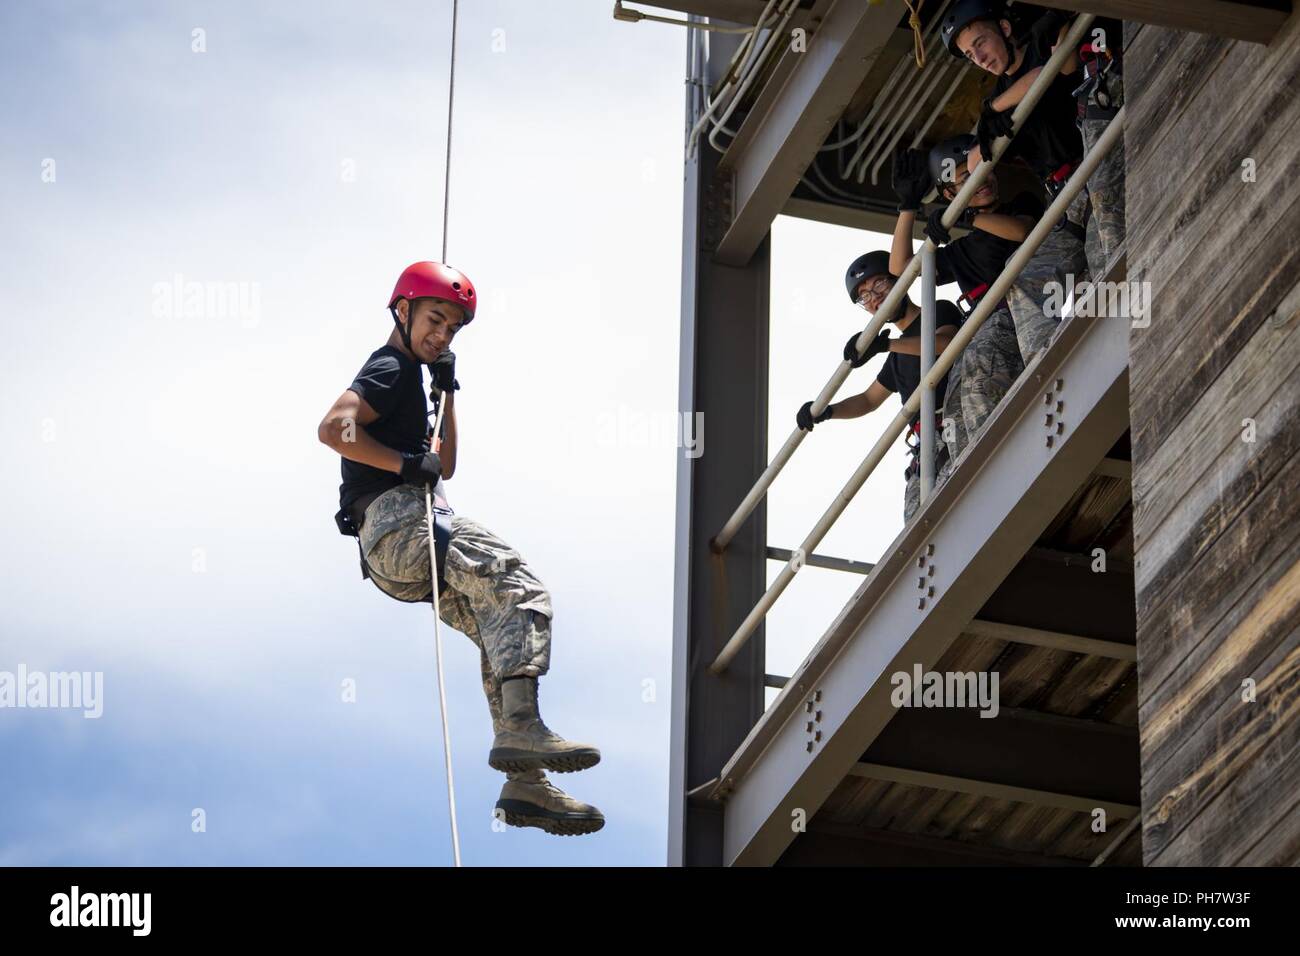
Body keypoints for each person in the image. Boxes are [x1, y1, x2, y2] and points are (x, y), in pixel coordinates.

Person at [317, 261, 604, 837]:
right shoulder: (391, 365)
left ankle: (524, 784)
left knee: (495, 622)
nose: (441, 334)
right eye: (434, 319)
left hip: (398, 549)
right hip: (401, 526)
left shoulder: (417, 379)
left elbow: (443, 464)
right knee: (518, 587)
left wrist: (446, 391)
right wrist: (401, 463)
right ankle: (523, 726)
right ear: (403, 311)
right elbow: (334, 428)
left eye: (452, 328)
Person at [943, 1, 1125, 360]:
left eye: (980, 43)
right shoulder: (995, 102)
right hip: (1066, 200)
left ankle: (1125, 320)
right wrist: (989, 119)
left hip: (1100, 164)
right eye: (969, 54)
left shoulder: (1041, 45)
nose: (978, 57)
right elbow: (976, 160)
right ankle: (1051, 367)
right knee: (1025, 283)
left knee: (1104, 252)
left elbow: (1057, 67)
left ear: (1005, 30)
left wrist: (995, 110)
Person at [889, 135, 1041, 469]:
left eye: (981, 170)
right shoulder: (960, 253)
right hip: (982, 335)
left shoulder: (1022, 203)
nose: (979, 181)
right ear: (948, 194)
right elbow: (900, 270)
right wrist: (908, 206)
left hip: (1016, 317)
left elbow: (1021, 232)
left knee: (977, 392)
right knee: (957, 411)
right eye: (963, 180)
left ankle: (996, 468)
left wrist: (964, 217)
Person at [796, 251, 961, 520]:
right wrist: (825, 410)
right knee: (919, 526)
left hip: (957, 424)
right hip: (928, 445)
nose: (874, 298)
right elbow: (869, 400)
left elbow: (943, 344)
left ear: (898, 280)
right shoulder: (896, 356)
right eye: (865, 296)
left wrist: (885, 345)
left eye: (879, 285)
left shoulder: (938, 310)